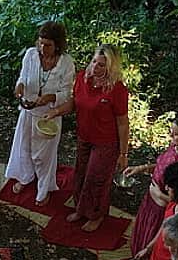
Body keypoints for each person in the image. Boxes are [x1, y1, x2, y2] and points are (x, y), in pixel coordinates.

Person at [47, 45, 130, 232]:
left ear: (111, 67)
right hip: (84, 137)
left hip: (106, 143)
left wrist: (123, 153)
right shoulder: (82, 78)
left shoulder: (117, 89)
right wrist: (55, 112)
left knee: (96, 179)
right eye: (94, 62)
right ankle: (80, 209)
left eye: (101, 65)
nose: (95, 67)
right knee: (80, 174)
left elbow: (123, 123)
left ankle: (96, 215)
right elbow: (74, 103)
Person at [6, 22, 76, 204]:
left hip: (49, 115)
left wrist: (51, 97)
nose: (43, 48)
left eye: (48, 45)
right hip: (28, 110)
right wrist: (19, 86)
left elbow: (67, 93)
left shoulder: (66, 63)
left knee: (44, 156)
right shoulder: (30, 55)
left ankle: (44, 189)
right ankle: (25, 177)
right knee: (24, 147)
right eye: (41, 43)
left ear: (58, 45)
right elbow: (23, 77)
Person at [125, 113, 178, 257]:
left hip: (161, 209)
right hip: (150, 201)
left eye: (176, 134)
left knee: (152, 239)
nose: (170, 136)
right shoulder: (175, 146)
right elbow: (162, 165)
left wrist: (159, 195)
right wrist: (142, 168)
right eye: (171, 132)